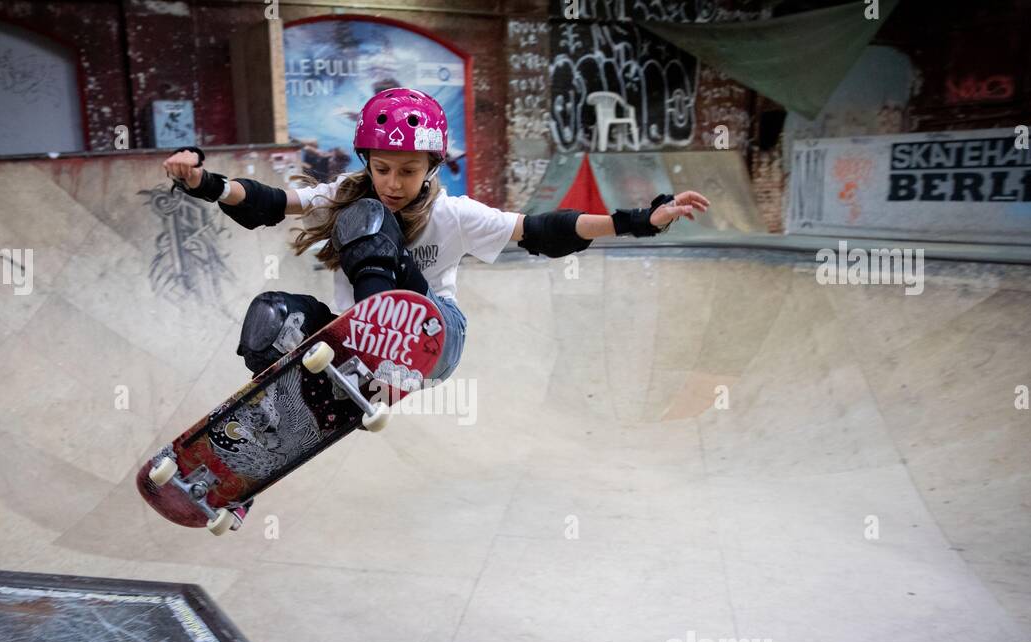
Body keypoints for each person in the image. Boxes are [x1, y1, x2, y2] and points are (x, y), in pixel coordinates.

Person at [162, 87, 709, 526]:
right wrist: (203, 181)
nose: (394, 183)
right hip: (356, 350)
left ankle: (379, 324)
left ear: (431, 165)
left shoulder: (456, 213)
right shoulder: (349, 192)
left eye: (408, 170)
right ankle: (251, 462)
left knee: (366, 220)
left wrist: (641, 219)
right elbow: (268, 203)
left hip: (434, 333)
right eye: (382, 169)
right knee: (271, 318)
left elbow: (542, 230)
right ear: (368, 162)